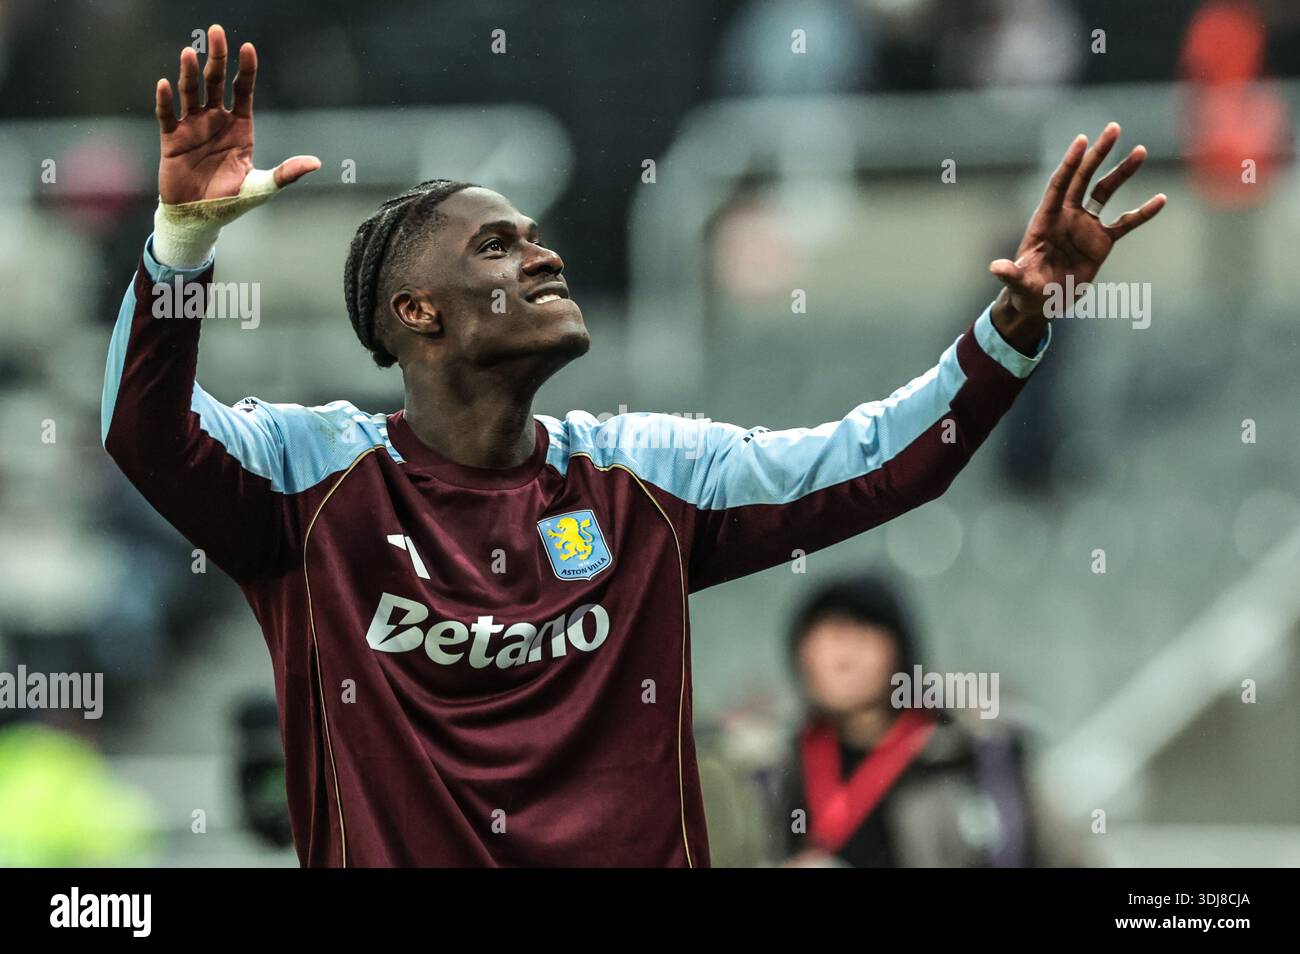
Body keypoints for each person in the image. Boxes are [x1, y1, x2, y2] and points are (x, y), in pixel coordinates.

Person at [101, 25, 1164, 866]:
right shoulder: (312, 477)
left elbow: (882, 460)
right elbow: (145, 434)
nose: (544, 251)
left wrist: (1016, 329)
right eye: (499, 245)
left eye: (534, 233)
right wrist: (179, 250)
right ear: (417, 313)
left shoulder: (645, 477)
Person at [775, 575, 1077, 867]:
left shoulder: (971, 752)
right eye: (825, 638)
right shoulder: (773, 767)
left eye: (862, 636)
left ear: (900, 651)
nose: (843, 658)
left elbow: (1065, 855)